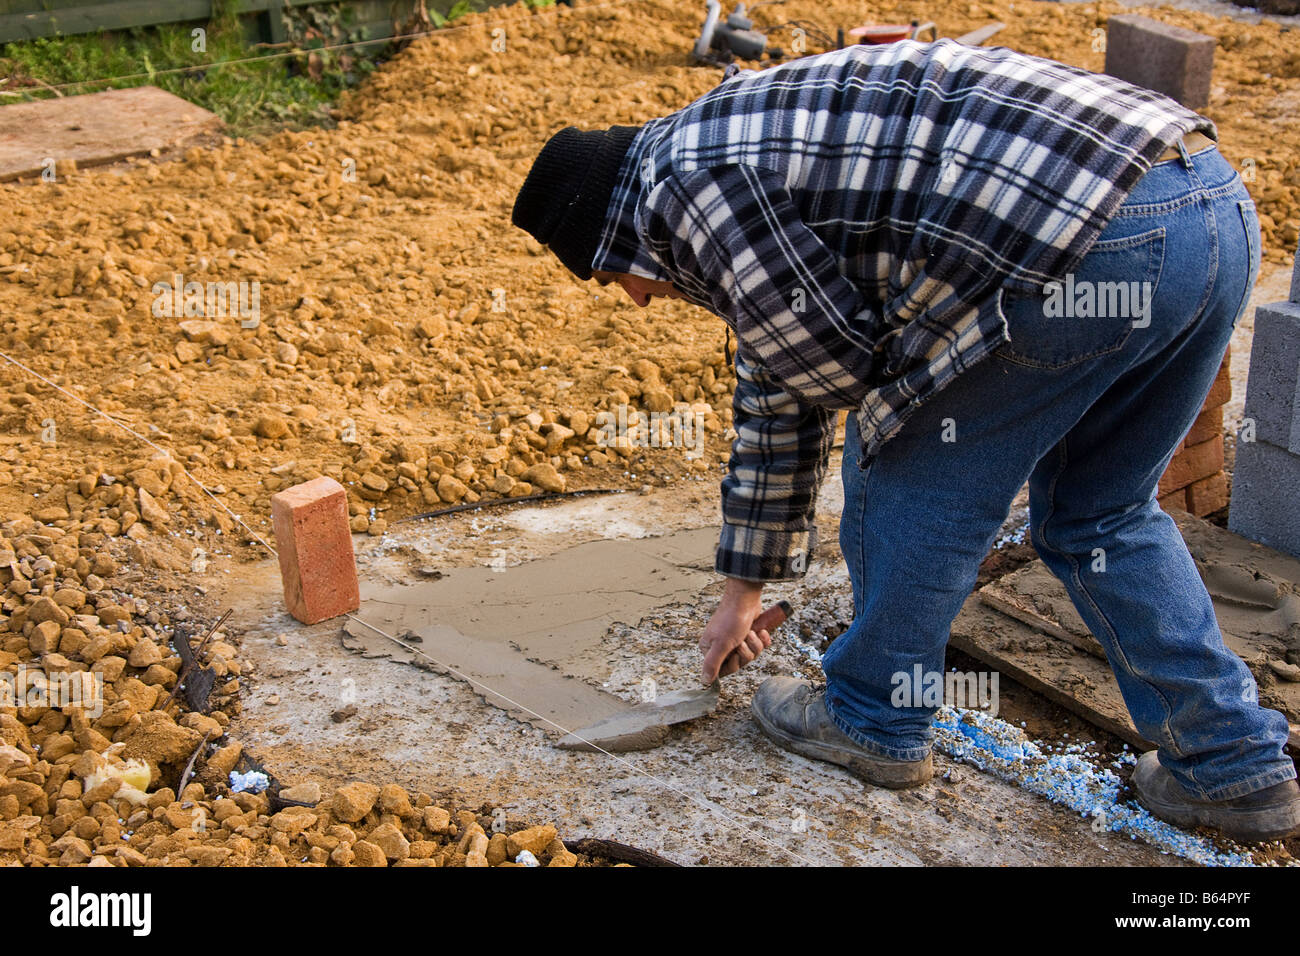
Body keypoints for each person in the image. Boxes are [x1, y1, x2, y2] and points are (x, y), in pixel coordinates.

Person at [511, 39, 1300, 842]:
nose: (638, 302)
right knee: (1105, 513)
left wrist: (904, 445)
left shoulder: (686, 188)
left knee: (900, 460)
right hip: (1208, 206)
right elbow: (780, 370)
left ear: (615, 232)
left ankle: (871, 717)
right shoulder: (722, 139)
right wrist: (740, 592)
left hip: (1093, 239)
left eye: (614, 279)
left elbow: (828, 375)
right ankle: (1233, 767)